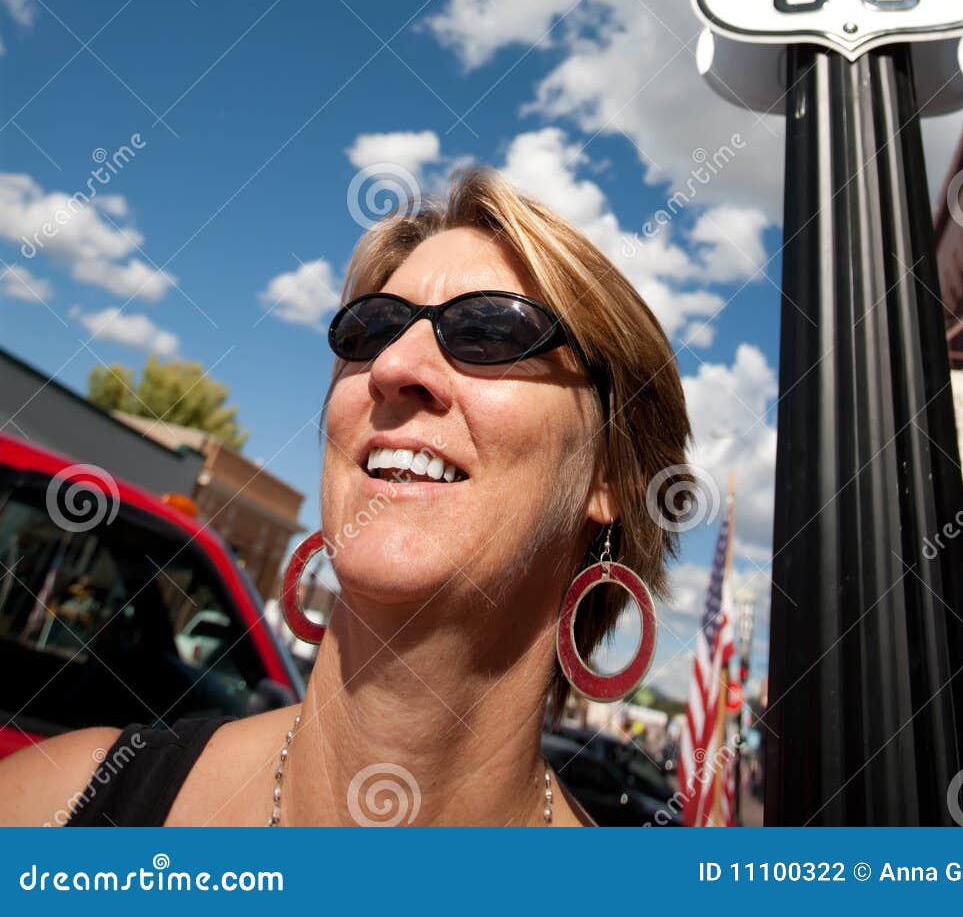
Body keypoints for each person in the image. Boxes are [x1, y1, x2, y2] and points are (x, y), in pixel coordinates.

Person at [0, 166, 691, 826]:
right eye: (371, 328)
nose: (391, 366)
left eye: (489, 331)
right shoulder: (49, 810)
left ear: (608, 475)